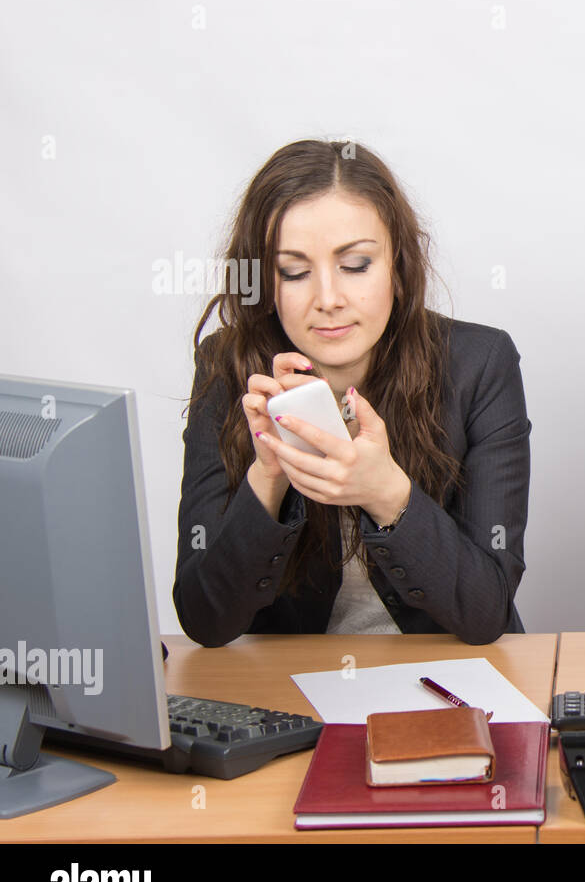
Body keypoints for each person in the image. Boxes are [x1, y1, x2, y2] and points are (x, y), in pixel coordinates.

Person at [174, 140, 529, 647]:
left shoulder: (479, 364)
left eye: (356, 264)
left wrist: (387, 493)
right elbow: (205, 619)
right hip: (291, 691)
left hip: (447, 682)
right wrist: (268, 476)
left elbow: (486, 609)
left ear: (399, 270)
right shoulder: (227, 367)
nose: (328, 300)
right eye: (293, 272)